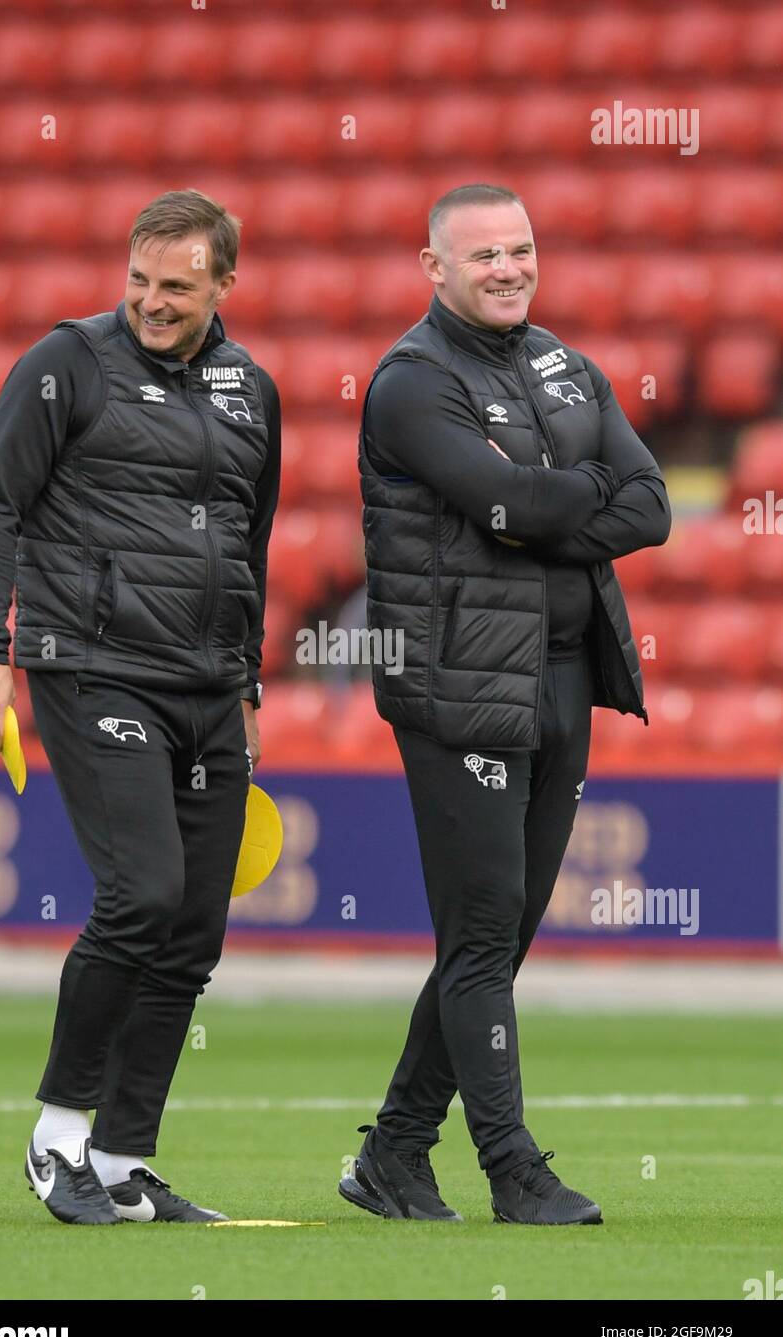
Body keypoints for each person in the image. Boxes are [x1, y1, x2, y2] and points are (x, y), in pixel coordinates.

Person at [341, 183, 671, 1225]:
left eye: (519, 248)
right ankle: (510, 1168)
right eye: (481, 254)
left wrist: (537, 506)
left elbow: (651, 503)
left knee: (499, 935)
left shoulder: (564, 364)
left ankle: (393, 1151)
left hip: (565, 675)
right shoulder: (407, 381)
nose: (505, 268)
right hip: (458, 686)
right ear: (433, 268)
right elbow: (509, 503)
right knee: (483, 935)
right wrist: (562, 495)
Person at [0, 189, 281, 1225]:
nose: (150, 302)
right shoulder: (65, 364)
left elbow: (247, 546)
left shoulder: (250, 390)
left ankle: (124, 1156)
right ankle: (57, 1136)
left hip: (205, 686)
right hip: (90, 665)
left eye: (176, 288)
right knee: (142, 893)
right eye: (138, 281)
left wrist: (250, 681)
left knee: (192, 928)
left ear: (224, 283)